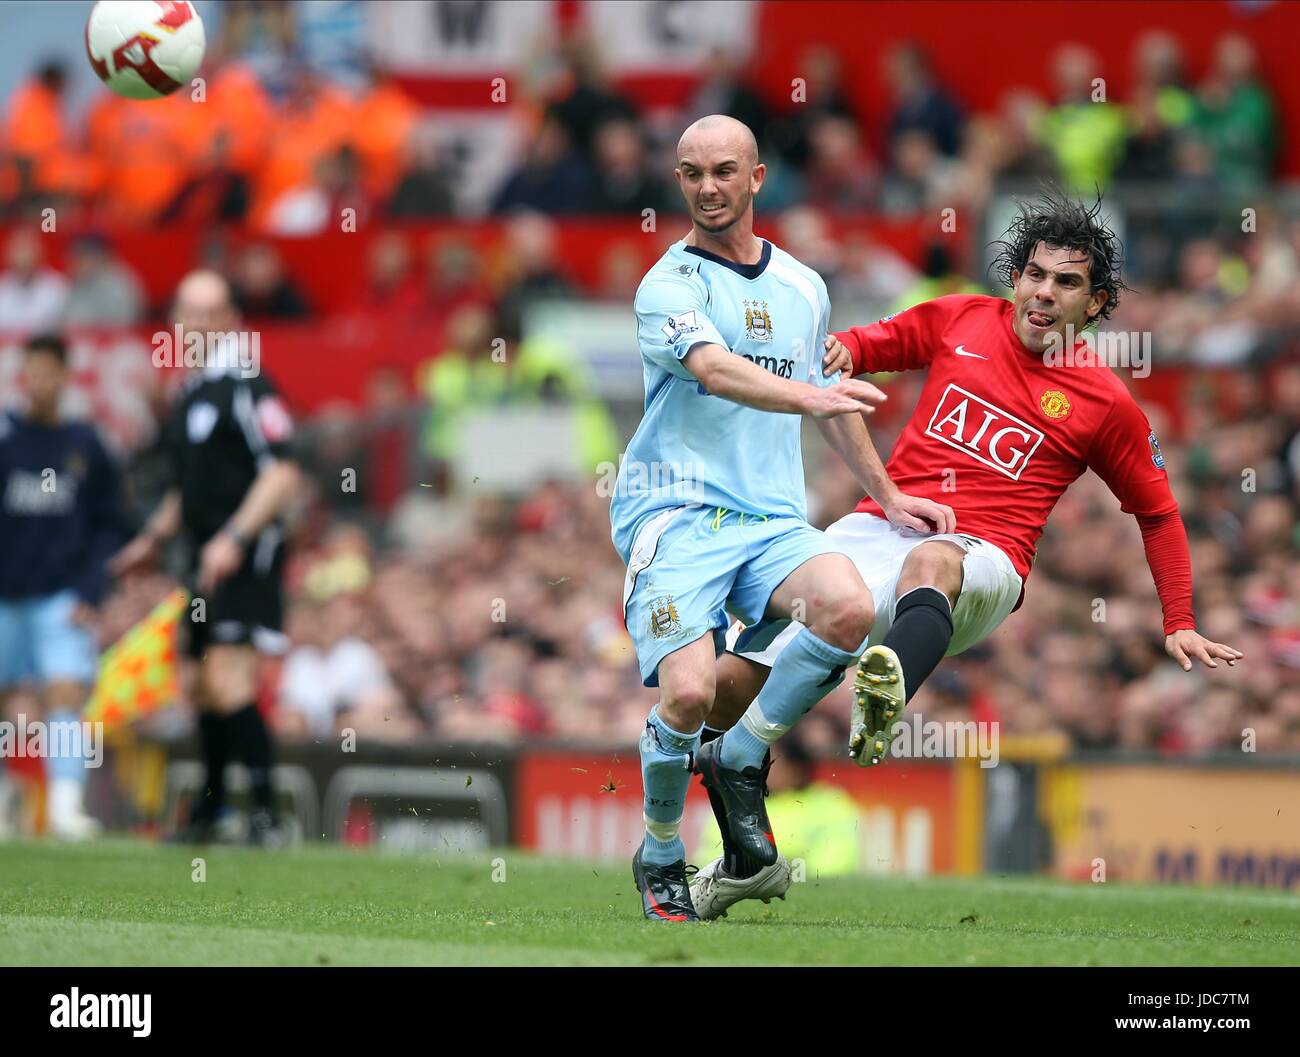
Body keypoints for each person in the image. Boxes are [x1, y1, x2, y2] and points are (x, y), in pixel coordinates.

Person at [694, 189, 1244, 919]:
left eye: (1067, 282)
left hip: (983, 562)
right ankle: (730, 835)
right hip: (879, 525)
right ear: (1014, 278)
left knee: (934, 562)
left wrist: (1177, 618)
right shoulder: (960, 319)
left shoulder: (1104, 402)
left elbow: (1158, 511)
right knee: (724, 680)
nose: (1045, 293)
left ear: (1096, 301)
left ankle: (872, 702)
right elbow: (869, 346)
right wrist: (825, 351)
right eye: (1036, 274)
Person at [612, 115, 948, 922]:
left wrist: (891, 494)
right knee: (688, 694)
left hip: (767, 517)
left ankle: (741, 755)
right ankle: (661, 848)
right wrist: (808, 393)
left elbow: (832, 408)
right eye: (691, 173)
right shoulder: (668, 285)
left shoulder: (802, 285)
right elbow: (715, 370)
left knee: (850, 606)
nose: (707, 187)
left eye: (724, 170)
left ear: (757, 178)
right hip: (677, 512)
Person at [111, 271, 302, 846]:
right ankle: (213, 813)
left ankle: (267, 814)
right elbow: (187, 486)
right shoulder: (190, 390)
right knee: (195, 682)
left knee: (228, 677)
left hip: (243, 555)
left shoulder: (249, 384)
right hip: (200, 558)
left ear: (231, 320)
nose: (195, 325)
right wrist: (153, 537)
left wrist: (236, 537)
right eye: (186, 313)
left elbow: (284, 470)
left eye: (208, 313)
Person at [0, 334, 125, 838]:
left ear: (64, 377)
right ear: (22, 376)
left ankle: (65, 805)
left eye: (50, 371)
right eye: (32, 371)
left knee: (65, 693)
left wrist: (90, 588)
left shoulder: (86, 445)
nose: (39, 381)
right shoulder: (5, 440)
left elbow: (111, 523)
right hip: (5, 592)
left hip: (61, 594)